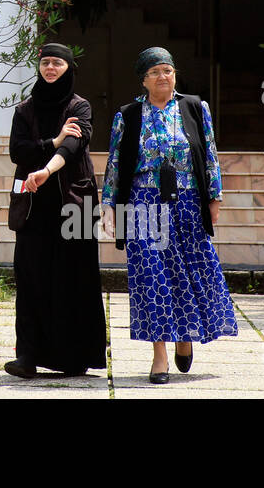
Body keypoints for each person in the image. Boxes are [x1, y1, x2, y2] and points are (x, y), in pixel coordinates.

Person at [102, 46, 237, 384]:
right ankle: (159, 354)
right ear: (144, 80)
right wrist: (108, 207)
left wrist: (214, 198)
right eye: (155, 72)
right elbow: (115, 164)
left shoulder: (194, 107)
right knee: (150, 277)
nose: (163, 77)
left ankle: (186, 334)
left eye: (168, 70)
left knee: (188, 272)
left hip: (188, 201)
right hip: (142, 201)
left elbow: (209, 153)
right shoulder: (128, 114)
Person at [4, 42, 107, 378]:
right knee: (31, 277)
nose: (50, 68)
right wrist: (51, 141)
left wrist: (46, 168)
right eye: (45, 62)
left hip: (73, 205)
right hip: (34, 208)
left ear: (68, 68)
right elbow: (18, 152)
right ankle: (27, 357)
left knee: (73, 278)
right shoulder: (24, 110)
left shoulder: (80, 106)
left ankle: (73, 358)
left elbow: (75, 145)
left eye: (57, 63)